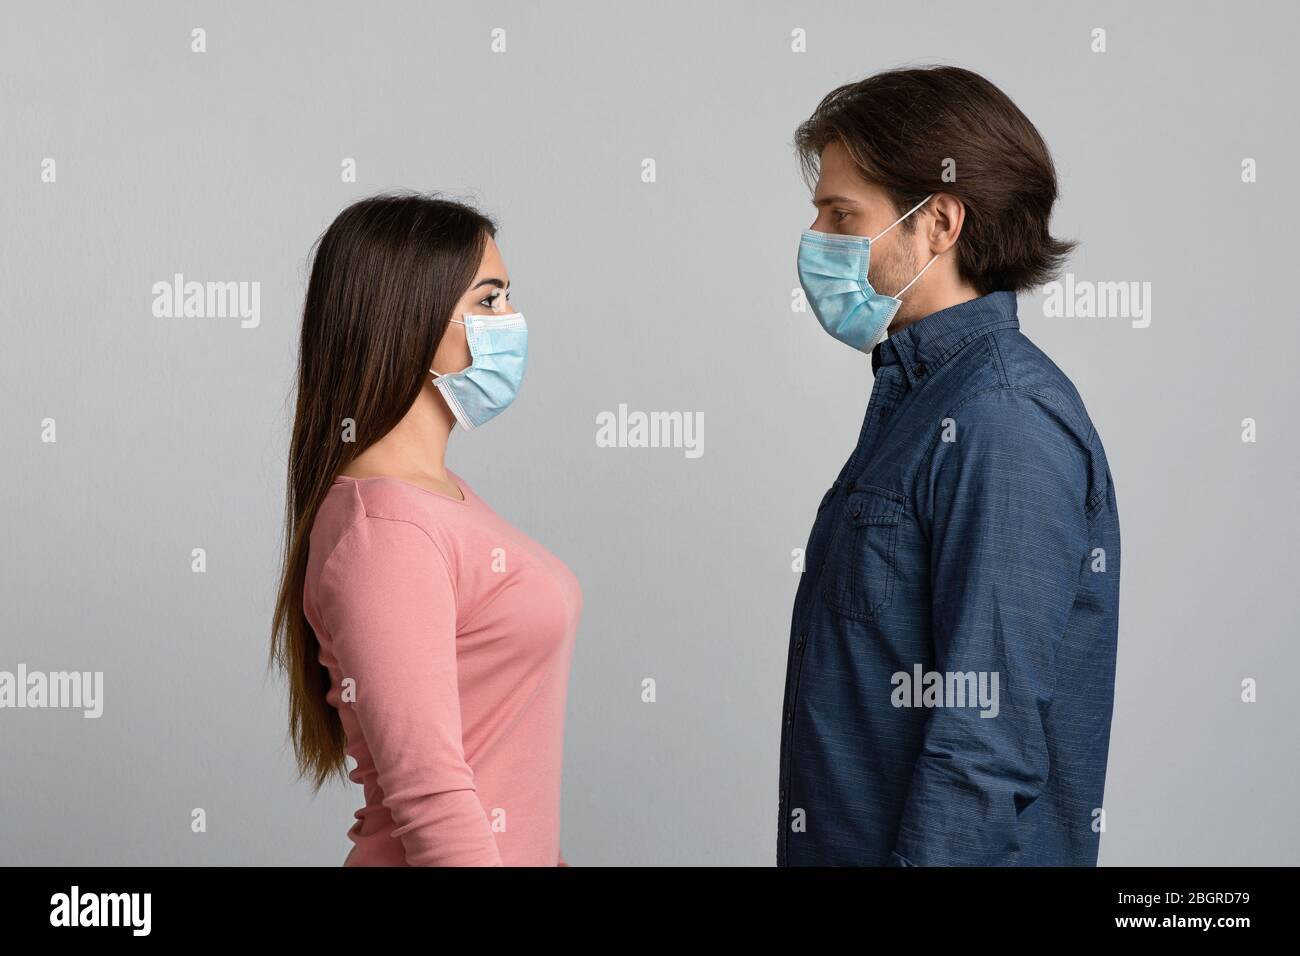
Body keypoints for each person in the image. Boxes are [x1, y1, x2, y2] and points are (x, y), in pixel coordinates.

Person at [778, 66, 1121, 866]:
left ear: (937, 223)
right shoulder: (920, 402)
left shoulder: (1002, 420)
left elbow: (982, 746)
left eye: (841, 214)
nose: (817, 239)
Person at [270, 193, 580, 866]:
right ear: (407, 320)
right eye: (489, 300)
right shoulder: (384, 532)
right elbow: (432, 799)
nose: (513, 322)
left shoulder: (439, 500)